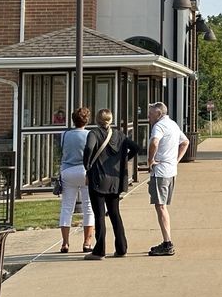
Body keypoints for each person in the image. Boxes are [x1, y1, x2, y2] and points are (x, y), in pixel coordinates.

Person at [83, 108, 140, 259]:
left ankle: (99, 250)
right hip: (115, 180)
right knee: (115, 214)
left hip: (97, 179)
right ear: (111, 119)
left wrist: (87, 165)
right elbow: (136, 147)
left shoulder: (94, 133)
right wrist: (123, 161)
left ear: (97, 120)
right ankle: (121, 248)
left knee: (99, 215)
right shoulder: (119, 135)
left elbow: (89, 147)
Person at [146, 102, 189, 256]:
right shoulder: (173, 125)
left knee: (161, 206)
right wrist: (175, 160)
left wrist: (150, 160)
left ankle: (167, 242)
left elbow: (154, 142)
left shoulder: (159, 126)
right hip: (170, 171)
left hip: (161, 172)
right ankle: (166, 241)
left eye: (150, 114)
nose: (148, 117)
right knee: (162, 205)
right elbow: (185, 142)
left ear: (158, 114)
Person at [57, 107, 95, 253]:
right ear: (87, 120)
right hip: (85, 171)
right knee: (88, 208)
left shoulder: (65, 134)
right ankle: (87, 242)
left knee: (67, 208)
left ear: (73, 120)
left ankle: (65, 243)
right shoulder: (90, 134)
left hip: (68, 171)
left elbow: (62, 150)